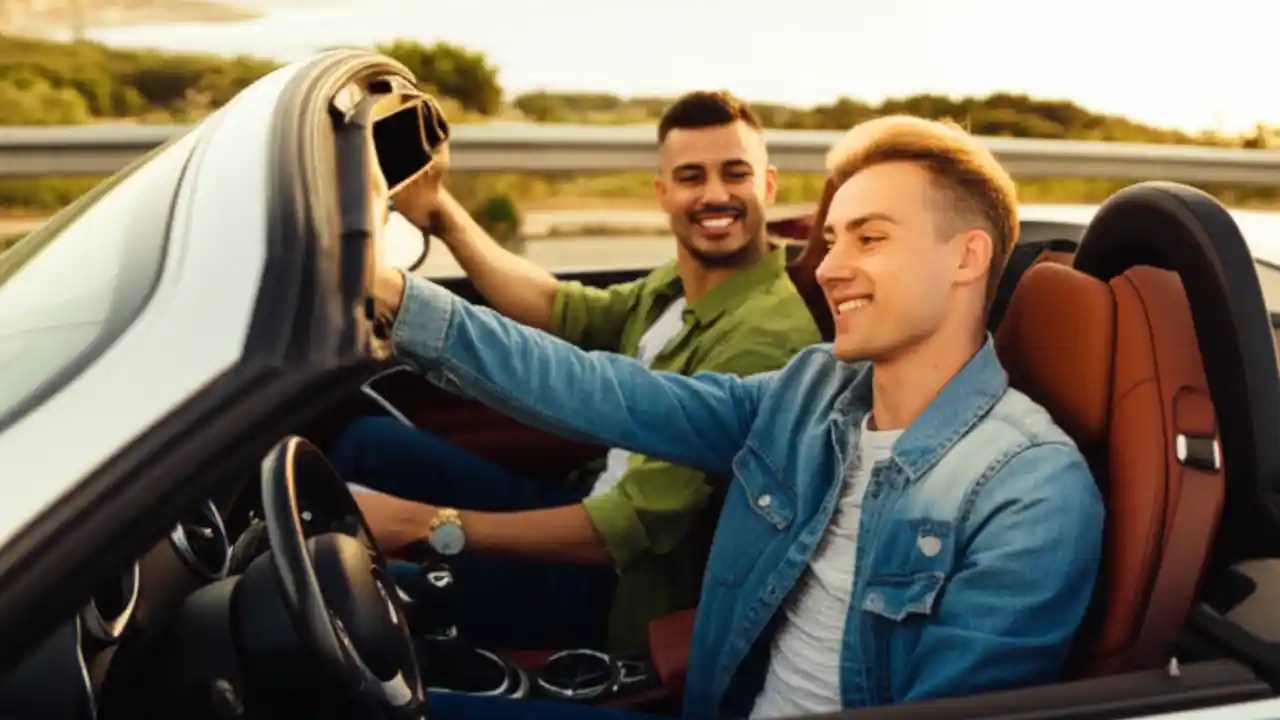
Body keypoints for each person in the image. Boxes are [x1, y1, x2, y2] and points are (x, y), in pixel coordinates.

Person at [370, 112, 1105, 719]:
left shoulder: (1030, 491)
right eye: (833, 236)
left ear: (967, 257)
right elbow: (603, 390)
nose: (826, 266)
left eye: (870, 238)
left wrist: (426, 524)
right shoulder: (813, 390)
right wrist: (397, 297)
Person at [330, 90, 822, 656]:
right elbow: (565, 310)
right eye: (692, 177)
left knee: (357, 597)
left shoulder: (762, 337)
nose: (715, 195)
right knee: (365, 444)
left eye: (735, 174)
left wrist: (428, 525)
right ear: (663, 193)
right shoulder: (681, 281)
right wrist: (442, 213)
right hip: (583, 494)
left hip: (614, 588)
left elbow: (623, 531)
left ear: (769, 185)